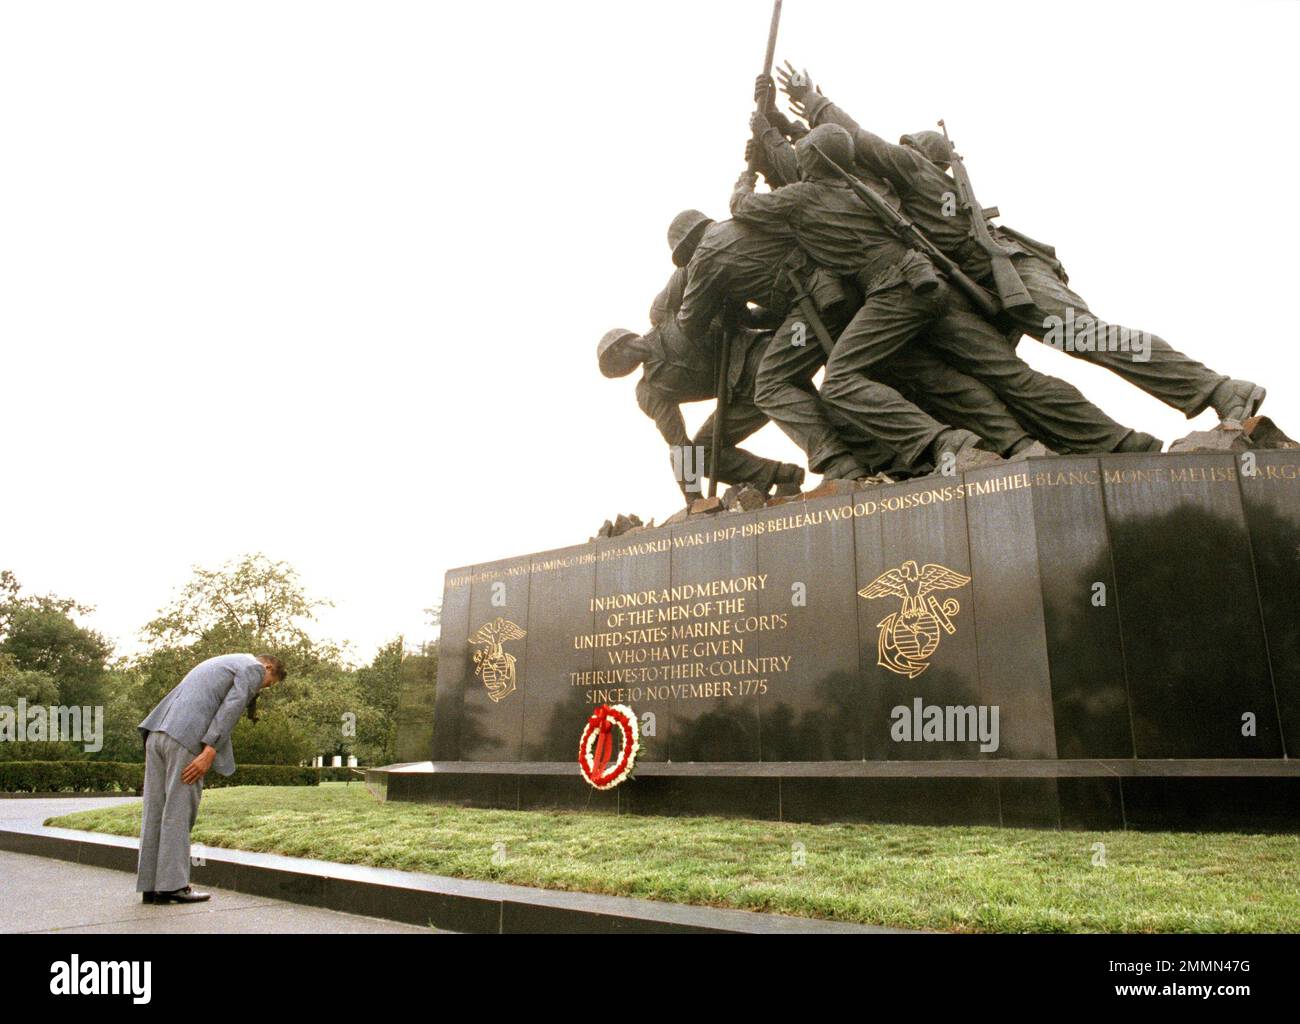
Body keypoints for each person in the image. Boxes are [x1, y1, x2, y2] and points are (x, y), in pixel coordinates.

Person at [780, 67, 1264, 423]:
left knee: (1084, 335)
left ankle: (1218, 388)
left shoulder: (910, 170)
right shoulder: (894, 187)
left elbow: (856, 141)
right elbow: (835, 164)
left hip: (1005, 268)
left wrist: (814, 102)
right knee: (1013, 377)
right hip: (977, 284)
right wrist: (783, 129)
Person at [135, 652, 287, 903]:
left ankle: (151, 887)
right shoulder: (253, 667)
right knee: (179, 812)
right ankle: (174, 886)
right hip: (185, 738)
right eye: (269, 683)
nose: (264, 686)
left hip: (157, 733)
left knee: (154, 811)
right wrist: (210, 749)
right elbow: (233, 706)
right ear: (268, 667)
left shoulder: (225, 661)